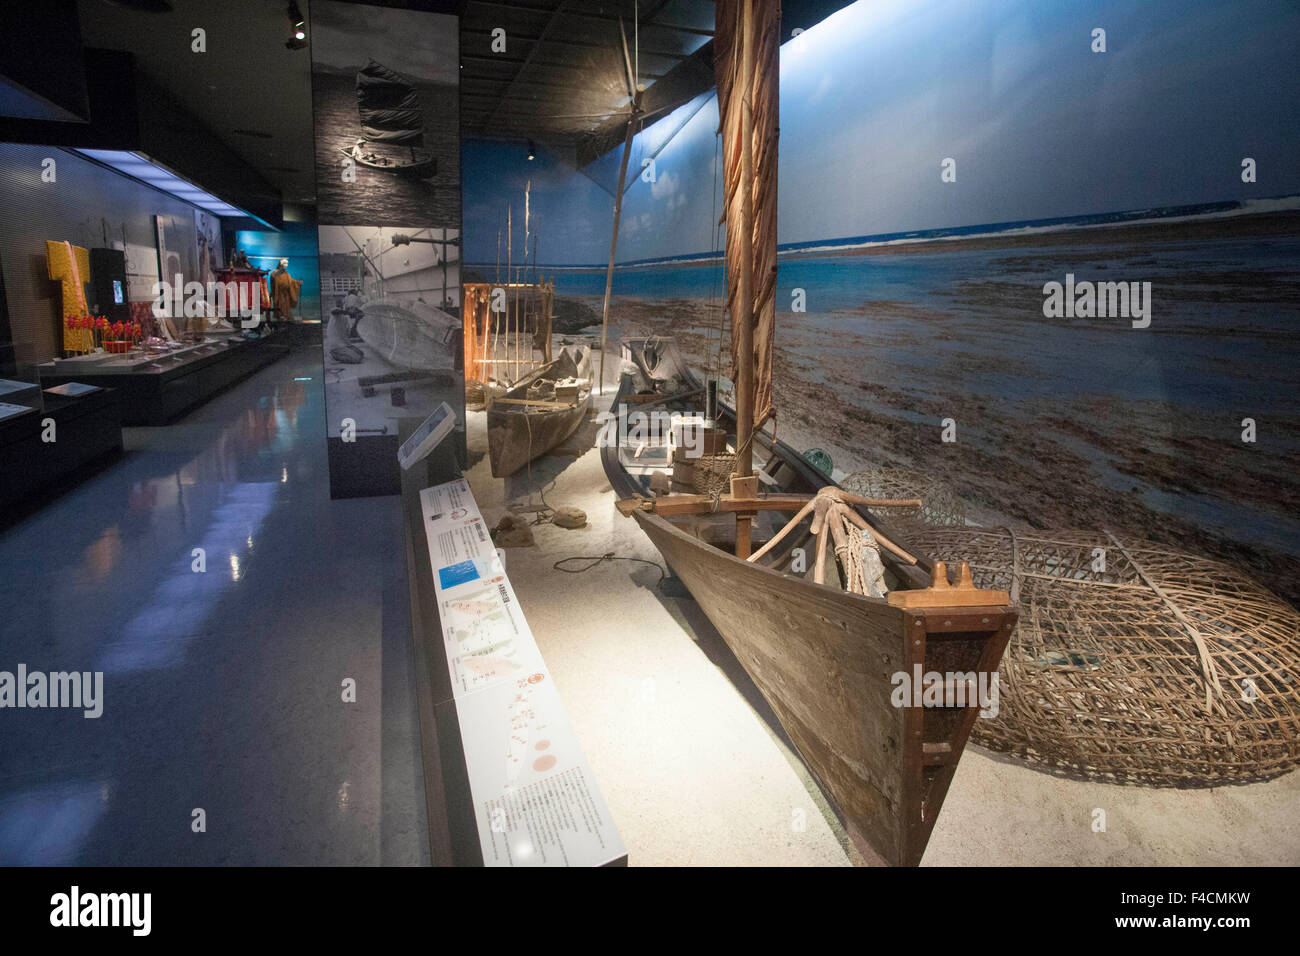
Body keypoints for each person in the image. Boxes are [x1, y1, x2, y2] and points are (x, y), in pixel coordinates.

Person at [270, 258, 302, 323]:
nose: (286, 265)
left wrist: (298, 283)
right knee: (280, 307)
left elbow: (291, 281)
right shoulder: (275, 273)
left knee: (286, 308)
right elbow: (273, 283)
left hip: (286, 294)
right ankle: (280, 317)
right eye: (284, 263)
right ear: (280, 264)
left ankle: (286, 318)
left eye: (287, 263)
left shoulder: (286, 273)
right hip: (279, 294)